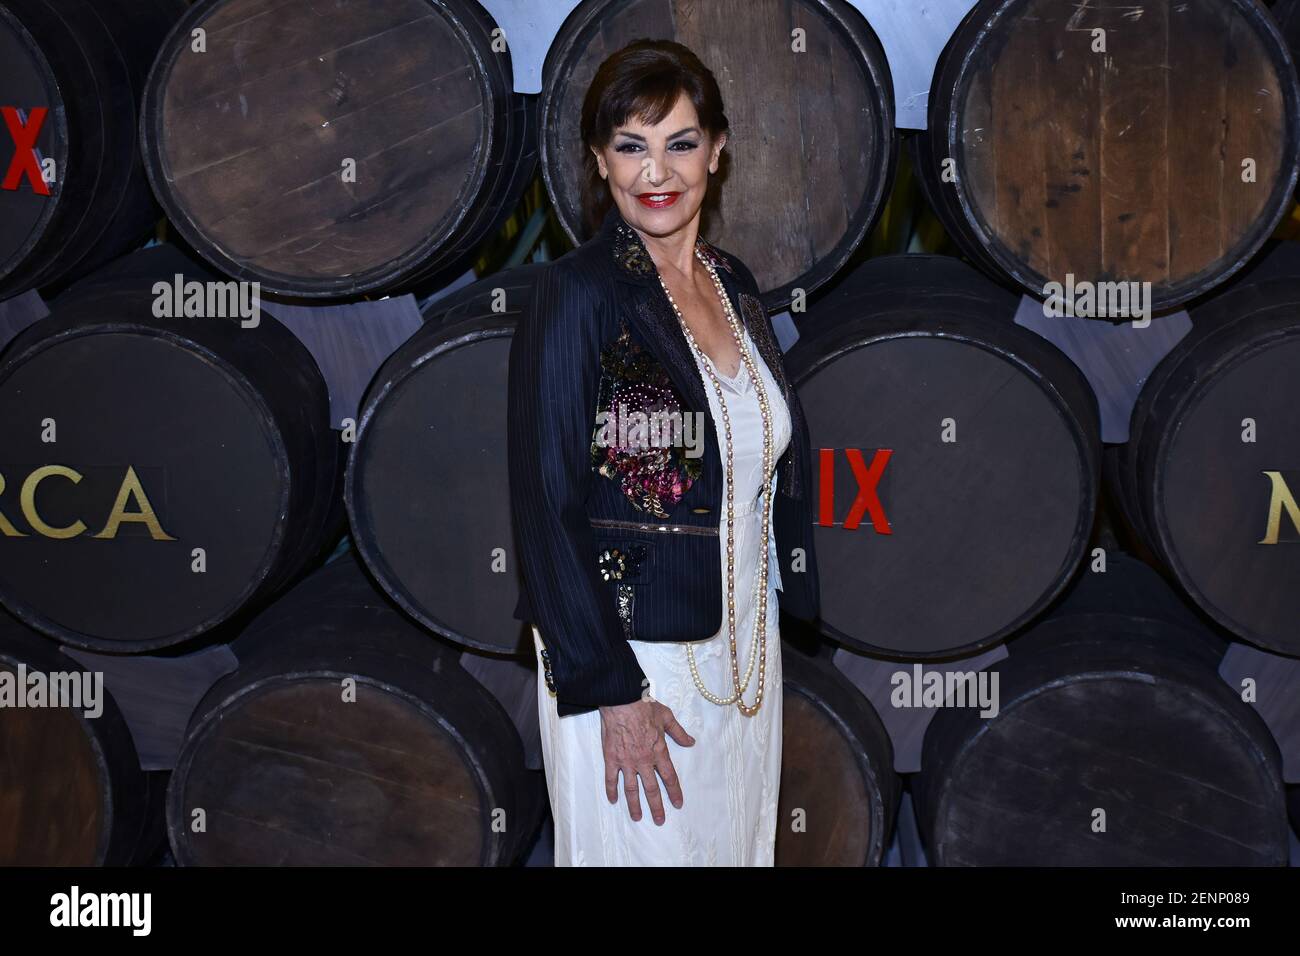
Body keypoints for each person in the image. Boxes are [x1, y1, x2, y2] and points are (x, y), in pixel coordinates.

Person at [507, 38, 820, 866]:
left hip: (746, 647)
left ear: (717, 152)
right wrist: (613, 695)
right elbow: (546, 504)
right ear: (598, 163)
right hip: (630, 658)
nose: (658, 172)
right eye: (631, 147)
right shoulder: (576, 294)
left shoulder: (735, 283)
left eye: (680, 143)